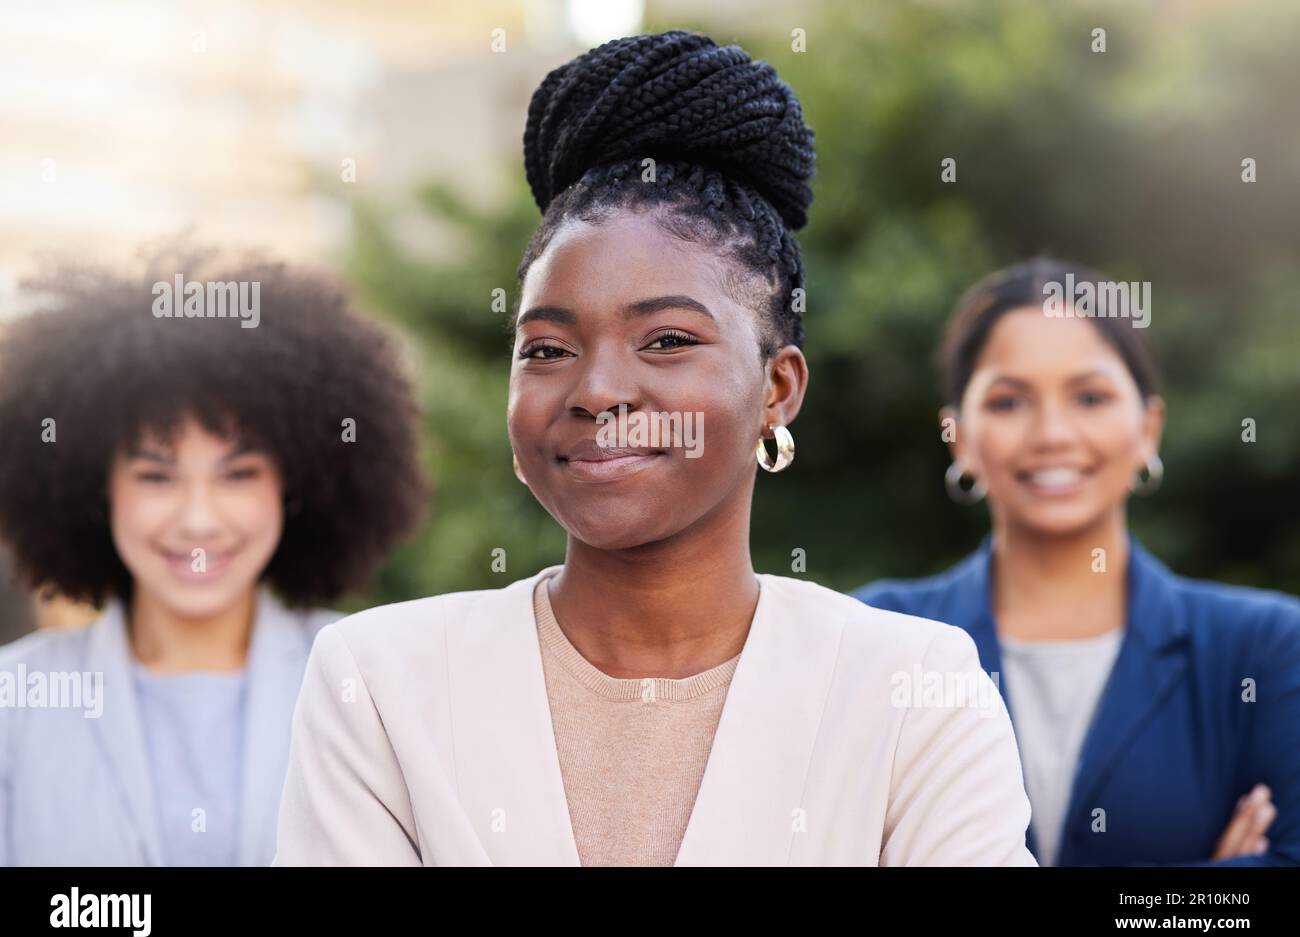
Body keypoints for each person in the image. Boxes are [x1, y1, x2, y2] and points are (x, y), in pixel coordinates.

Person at [273, 31, 1036, 867]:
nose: (596, 390)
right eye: (548, 349)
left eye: (667, 339)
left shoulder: (914, 693)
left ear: (777, 388)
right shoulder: (379, 682)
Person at [854, 257, 1300, 866]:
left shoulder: (1268, 647)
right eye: (1010, 402)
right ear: (957, 436)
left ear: (1149, 427)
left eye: (1090, 396)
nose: (1053, 433)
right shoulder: (878, 635)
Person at [0, 250, 427, 865]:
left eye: (238, 474)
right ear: (95, 489)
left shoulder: (375, 684)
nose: (199, 519)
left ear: (294, 484)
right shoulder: (18, 700)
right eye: (156, 476)